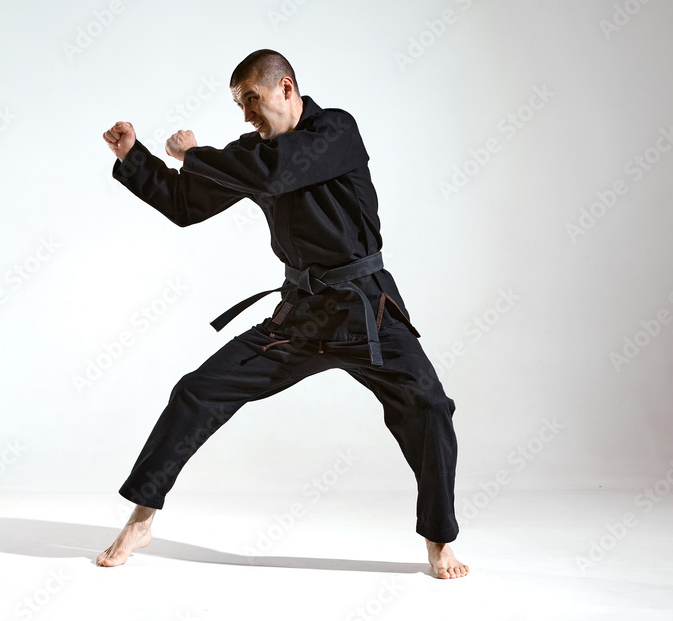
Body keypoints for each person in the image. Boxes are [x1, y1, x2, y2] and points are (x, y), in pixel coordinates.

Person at [97, 49, 469, 579]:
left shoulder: (335, 130)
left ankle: (439, 540)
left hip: (368, 312)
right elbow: (185, 205)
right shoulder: (253, 153)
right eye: (239, 104)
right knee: (196, 392)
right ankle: (141, 519)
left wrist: (195, 154)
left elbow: (277, 174)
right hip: (300, 318)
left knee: (429, 408)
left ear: (286, 88)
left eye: (252, 98)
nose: (247, 114)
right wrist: (134, 157)